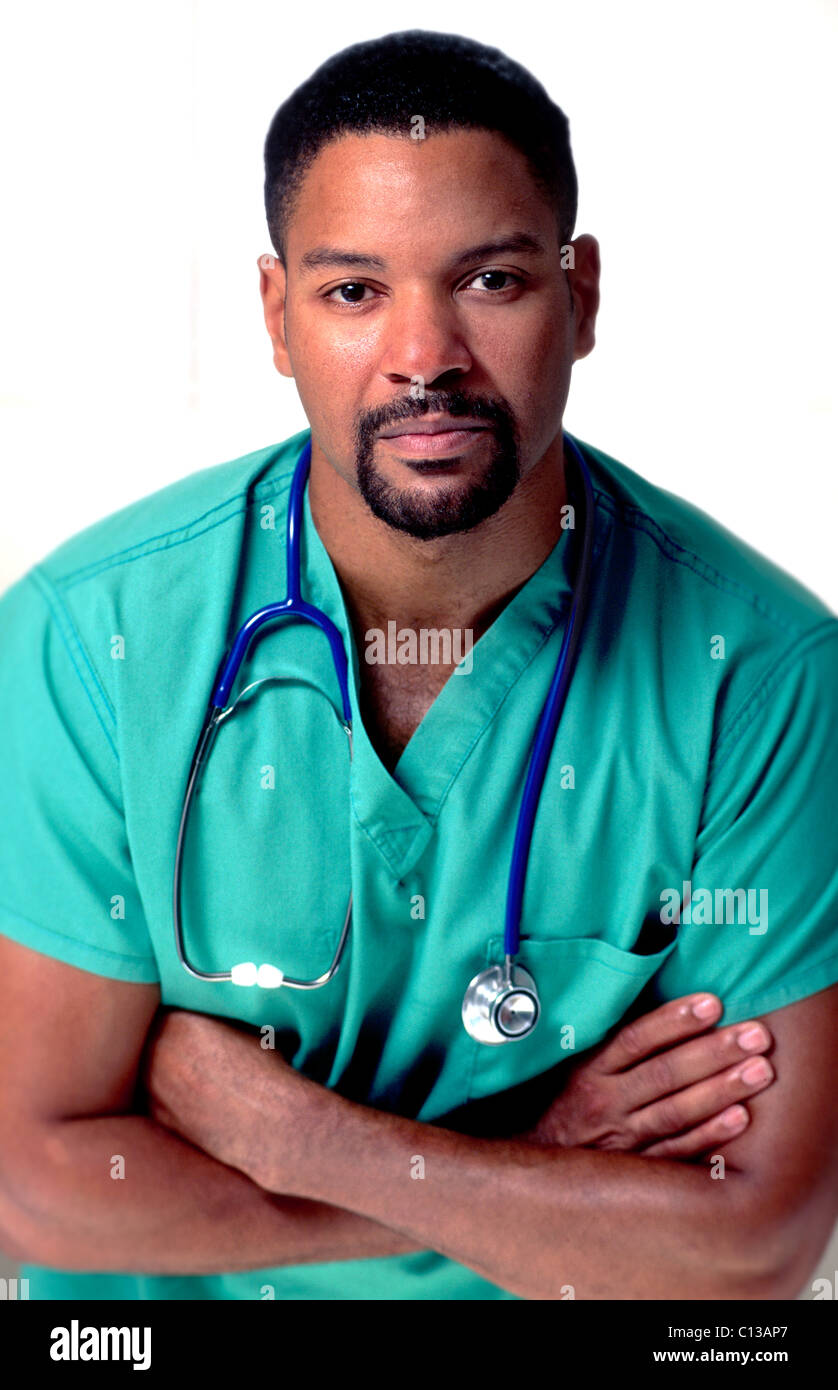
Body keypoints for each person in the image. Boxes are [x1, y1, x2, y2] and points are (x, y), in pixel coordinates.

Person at [1, 30, 836, 1302]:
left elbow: (754, 1243)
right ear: (276, 318)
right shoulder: (90, 642)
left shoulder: (758, 676)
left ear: (582, 295)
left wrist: (304, 1140)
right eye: (351, 292)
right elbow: (33, 1184)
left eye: (490, 280)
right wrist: (520, 1162)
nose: (423, 356)